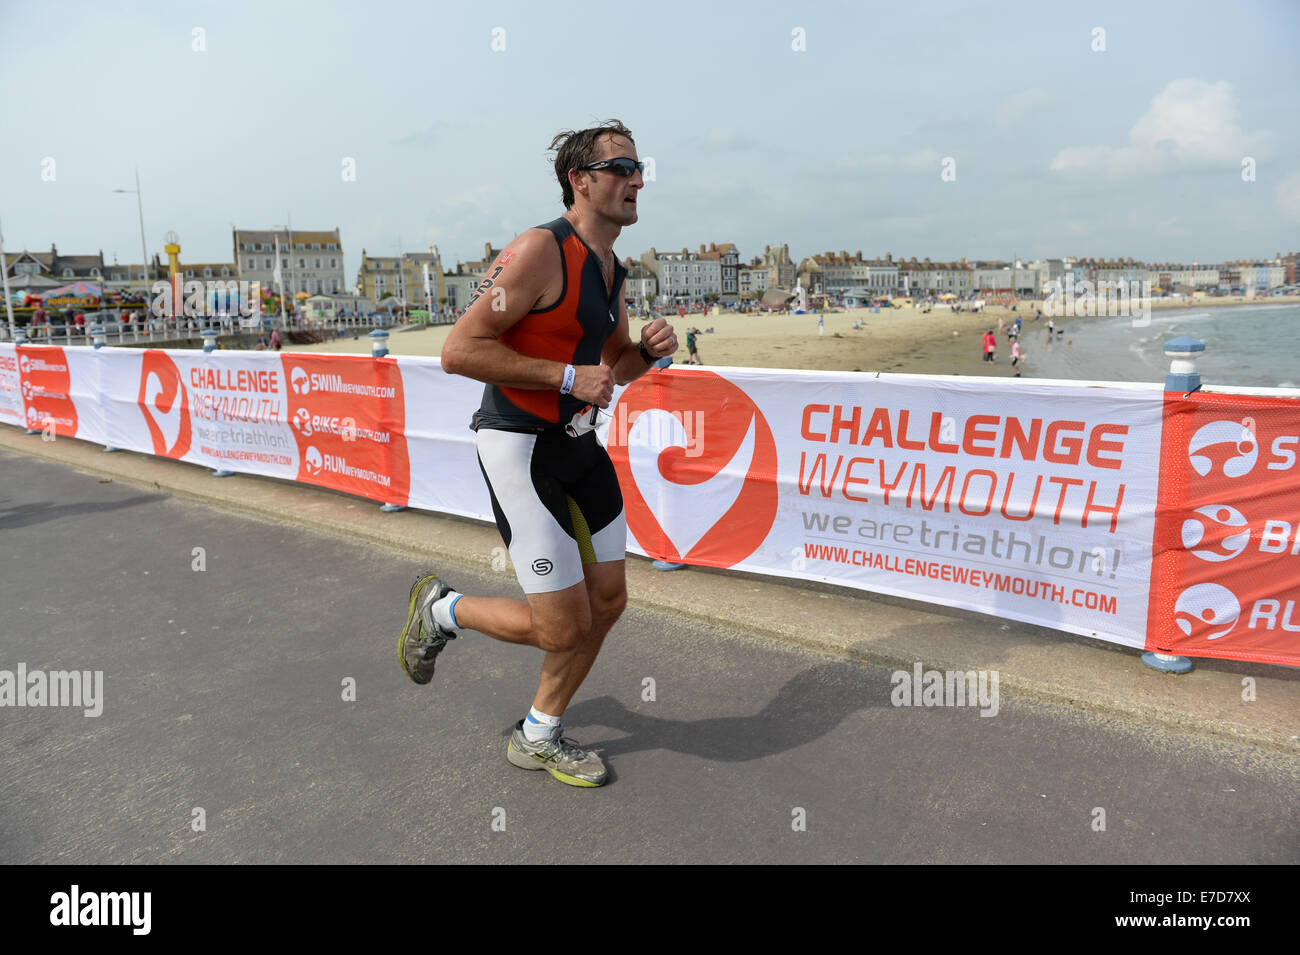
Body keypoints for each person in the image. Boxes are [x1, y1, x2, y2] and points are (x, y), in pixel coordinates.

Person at [403, 120, 673, 789]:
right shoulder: (537, 251)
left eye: (641, 168)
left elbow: (612, 368)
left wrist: (647, 353)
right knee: (562, 625)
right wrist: (561, 376)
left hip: (579, 443)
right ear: (581, 180)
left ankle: (539, 732)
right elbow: (459, 349)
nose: (638, 179)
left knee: (607, 603)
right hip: (520, 448)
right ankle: (442, 609)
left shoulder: (614, 268)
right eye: (623, 167)